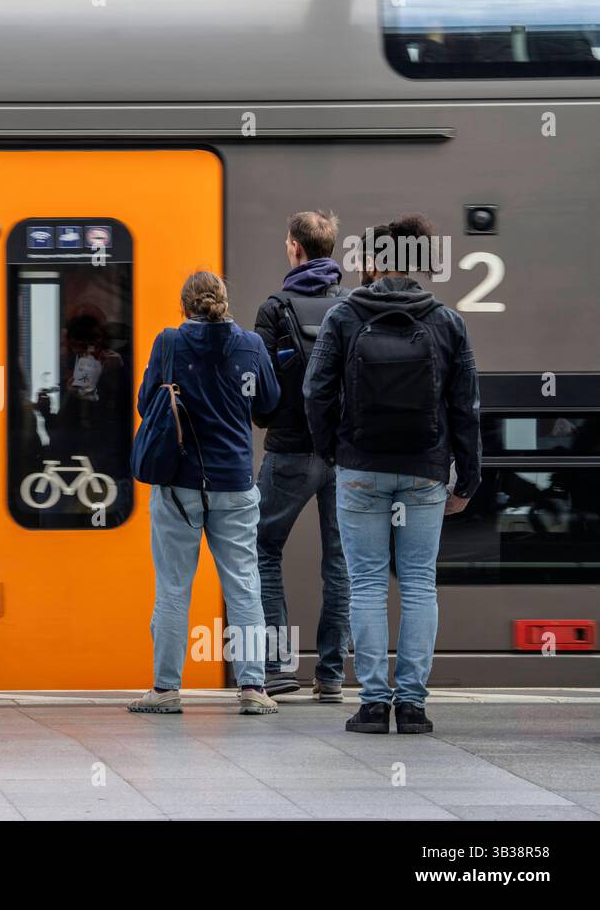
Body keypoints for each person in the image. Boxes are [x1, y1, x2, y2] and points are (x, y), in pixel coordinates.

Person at [303, 213, 481, 735]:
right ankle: (413, 706)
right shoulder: (446, 321)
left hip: (359, 467)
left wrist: (332, 451)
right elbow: (466, 407)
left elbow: (315, 393)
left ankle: (374, 704)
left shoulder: (344, 316)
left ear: (375, 262)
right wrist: (465, 480)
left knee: (366, 584)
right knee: (420, 584)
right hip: (425, 470)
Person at [129, 271, 281, 715]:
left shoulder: (169, 342)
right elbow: (269, 405)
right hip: (234, 482)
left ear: (185, 305)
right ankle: (253, 687)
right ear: (224, 301)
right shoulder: (251, 345)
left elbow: (145, 404)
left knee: (174, 587)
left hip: (178, 483)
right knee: (244, 585)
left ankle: (165, 690)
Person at [251, 211, 350, 701]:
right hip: (344, 455)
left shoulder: (274, 308)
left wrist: (268, 416)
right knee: (341, 560)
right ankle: (330, 676)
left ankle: (274, 668)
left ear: (295, 248)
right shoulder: (351, 307)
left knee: (263, 549)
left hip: (289, 450)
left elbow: (260, 384)